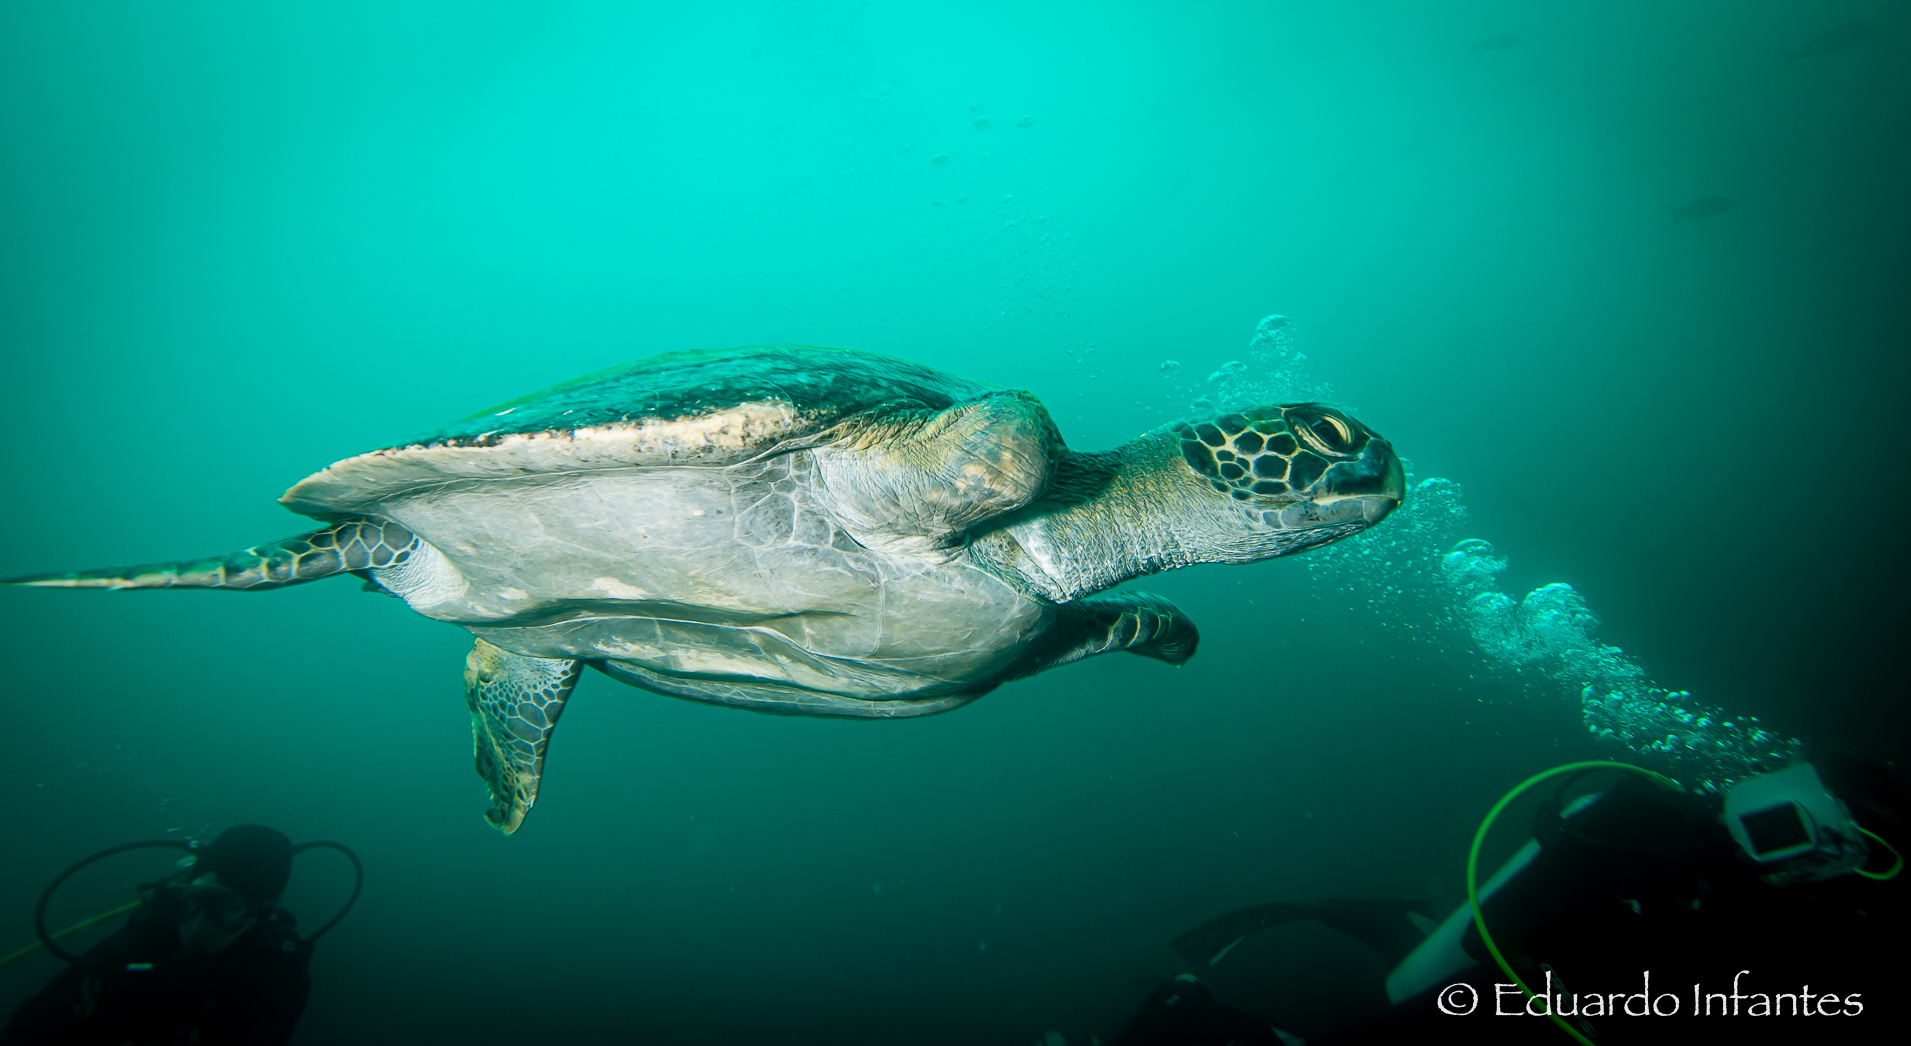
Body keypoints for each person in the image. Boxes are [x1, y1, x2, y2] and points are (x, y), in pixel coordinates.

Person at [1164, 750, 1907, 1045]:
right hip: (1517, 993)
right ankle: (1187, 1006)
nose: (1791, 859)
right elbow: (1496, 941)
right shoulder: (1644, 832)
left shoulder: (1802, 895)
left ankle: (1393, 922)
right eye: (1778, 834)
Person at [3, 826, 315, 1046]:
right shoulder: (142, 941)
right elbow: (34, 1025)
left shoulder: (276, 974)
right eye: (192, 900)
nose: (198, 922)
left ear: (255, 919)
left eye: (225, 906)